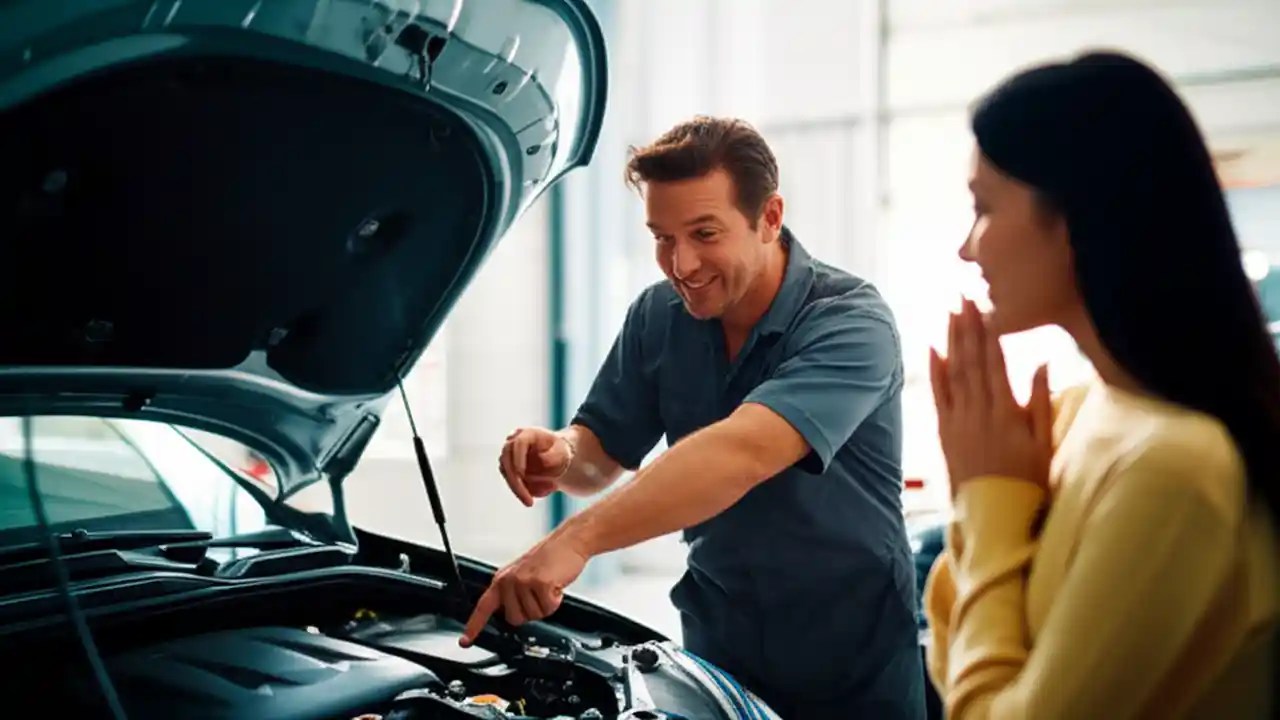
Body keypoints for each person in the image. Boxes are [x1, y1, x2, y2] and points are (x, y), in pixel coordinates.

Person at [459, 116, 925, 719]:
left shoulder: (851, 322)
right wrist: (563, 453)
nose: (680, 264)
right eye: (661, 237)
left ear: (771, 218)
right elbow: (602, 454)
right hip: (718, 648)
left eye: (705, 233)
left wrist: (575, 540)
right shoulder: (659, 314)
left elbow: (742, 453)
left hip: (851, 664)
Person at [923, 50, 1280, 719]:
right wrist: (983, 491)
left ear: (1076, 219)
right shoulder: (1076, 413)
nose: (967, 248)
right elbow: (958, 667)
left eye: (984, 208)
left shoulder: (1173, 466)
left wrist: (986, 497)